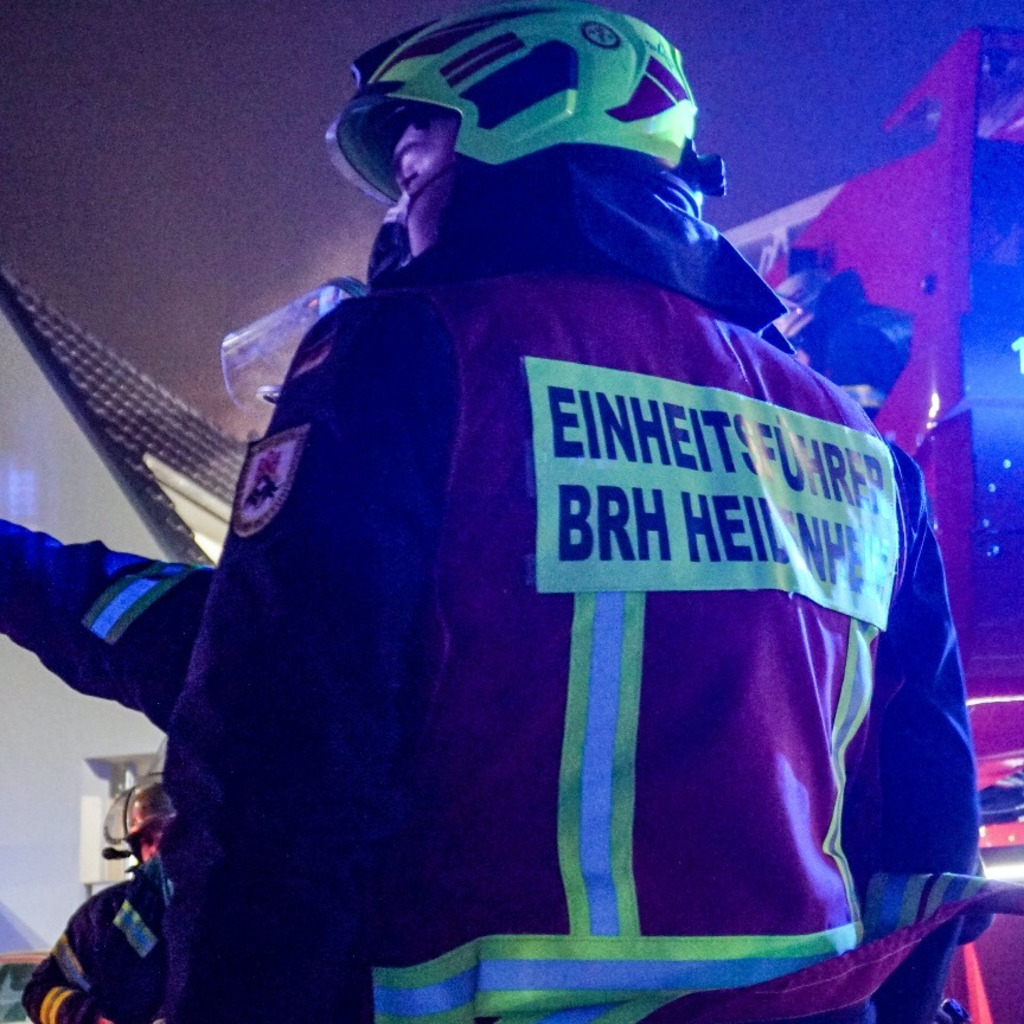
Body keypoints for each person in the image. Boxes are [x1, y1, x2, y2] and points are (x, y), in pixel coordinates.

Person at [1, 4, 1021, 1022]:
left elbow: (280, 759)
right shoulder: (859, 448)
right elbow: (928, 841)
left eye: (409, 174)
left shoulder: (418, 355)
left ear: (514, 131)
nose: (398, 218)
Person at [22, 781, 174, 1024]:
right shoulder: (106, 913)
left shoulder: (228, 912)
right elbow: (40, 991)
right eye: (148, 840)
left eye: (168, 837)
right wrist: (94, 1019)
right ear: (136, 849)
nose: (157, 851)